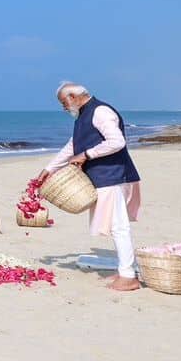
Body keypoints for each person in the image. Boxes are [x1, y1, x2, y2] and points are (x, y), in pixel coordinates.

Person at [40, 82, 142, 292]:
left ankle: (129, 276)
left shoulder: (100, 112)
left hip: (113, 175)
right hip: (104, 177)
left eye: (64, 103)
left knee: (119, 226)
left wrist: (87, 155)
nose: (64, 108)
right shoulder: (84, 116)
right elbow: (73, 145)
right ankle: (125, 270)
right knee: (116, 226)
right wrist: (49, 169)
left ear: (73, 96)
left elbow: (117, 142)